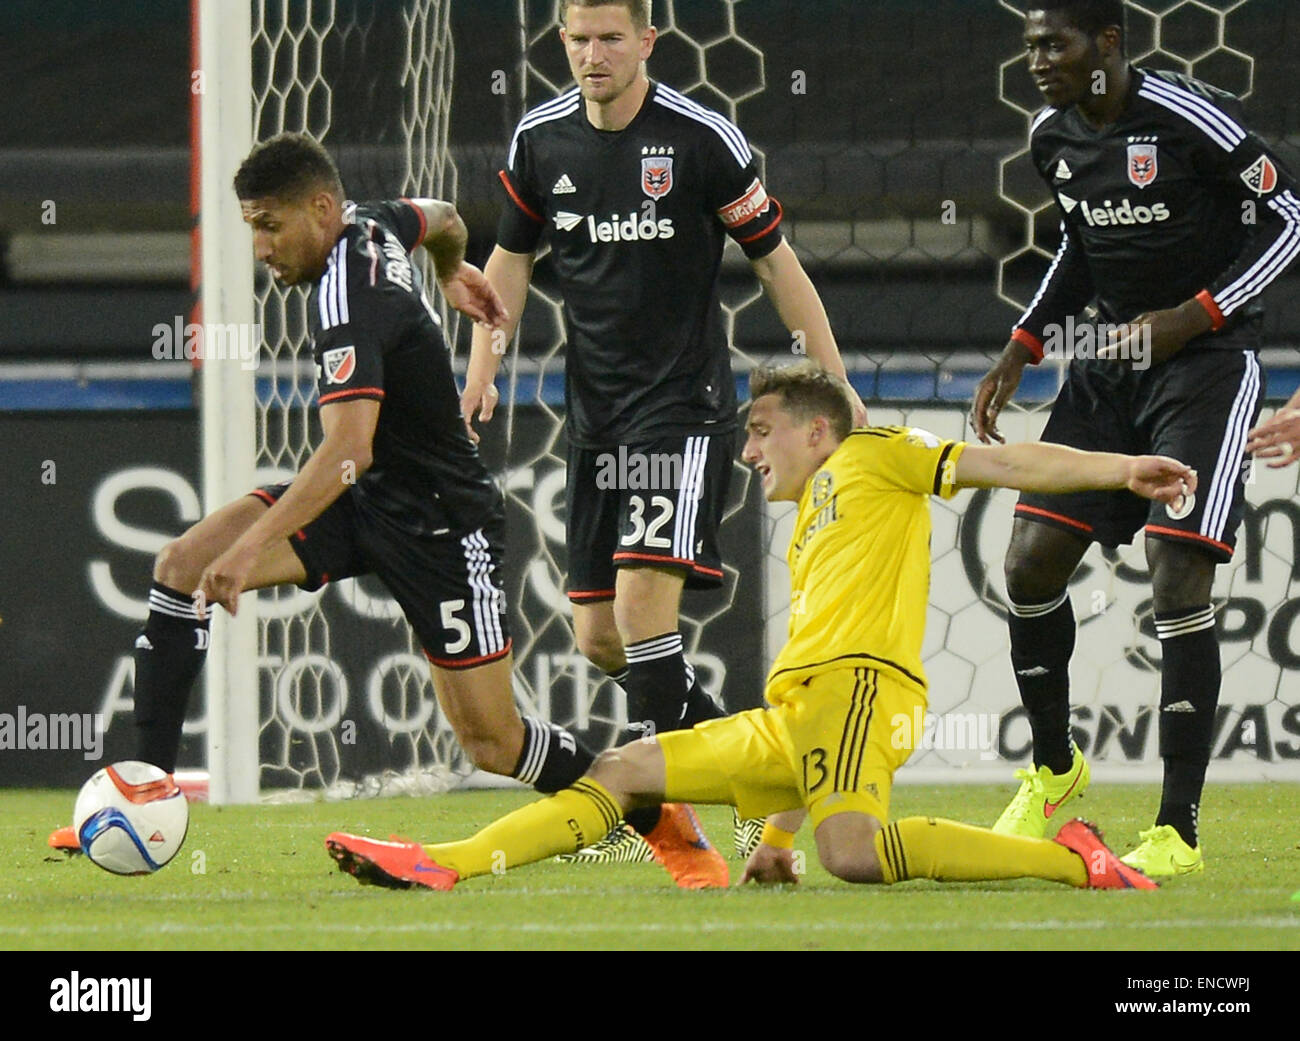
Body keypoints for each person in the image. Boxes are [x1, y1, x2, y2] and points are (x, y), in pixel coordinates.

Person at [322, 361, 1195, 892]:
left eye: (760, 429)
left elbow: (1009, 461)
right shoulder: (813, 512)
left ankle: (1076, 860)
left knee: (852, 853)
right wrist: (775, 841)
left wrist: (1124, 469)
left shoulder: (877, 452)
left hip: (862, 690)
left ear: (819, 429)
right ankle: (446, 860)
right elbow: (808, 755)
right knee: (622, 769)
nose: (748, 450)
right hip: (802, 710)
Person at [49, 133, 674, 862]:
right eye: (252, 226)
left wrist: (252, 543)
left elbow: (349, 449)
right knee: (183, 563)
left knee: (494, 742)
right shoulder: (371, 220)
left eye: (270, 226)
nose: (260, 247)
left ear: (320, 209)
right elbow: (442, 216)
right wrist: (452, 273)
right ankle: (141, 795)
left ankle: (661, 824)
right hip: (368, 499)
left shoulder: (350, 297)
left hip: (443, 523)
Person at [459, 0, 867, 864]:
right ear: (560, 43)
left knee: (645, 611)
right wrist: (482, 366)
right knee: (601, 637)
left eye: (611, 38)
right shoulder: (540, 140)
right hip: (594, 418)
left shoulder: (700, 139)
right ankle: (773, 773)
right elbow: (510, 261)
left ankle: (668, 820)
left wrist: (833, 384)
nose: (592, 55)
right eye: (577, 39)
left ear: (649, 41)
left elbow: (776, 262)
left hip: (682, 410)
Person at [970, 0, 1300, 876]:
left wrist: (1191, 319)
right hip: (1108, 367)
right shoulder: (1053, 137)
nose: (1039, 60)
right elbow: (1079, 241)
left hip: (1208, 368)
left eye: (1056, 44)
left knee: (1176, 570)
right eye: (1031, 45)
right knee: (1028, 561)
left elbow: (1290, 220)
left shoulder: (1189, 116)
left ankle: (1177, 830)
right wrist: (1023, 344)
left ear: (1107, 43)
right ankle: (1052, 770)